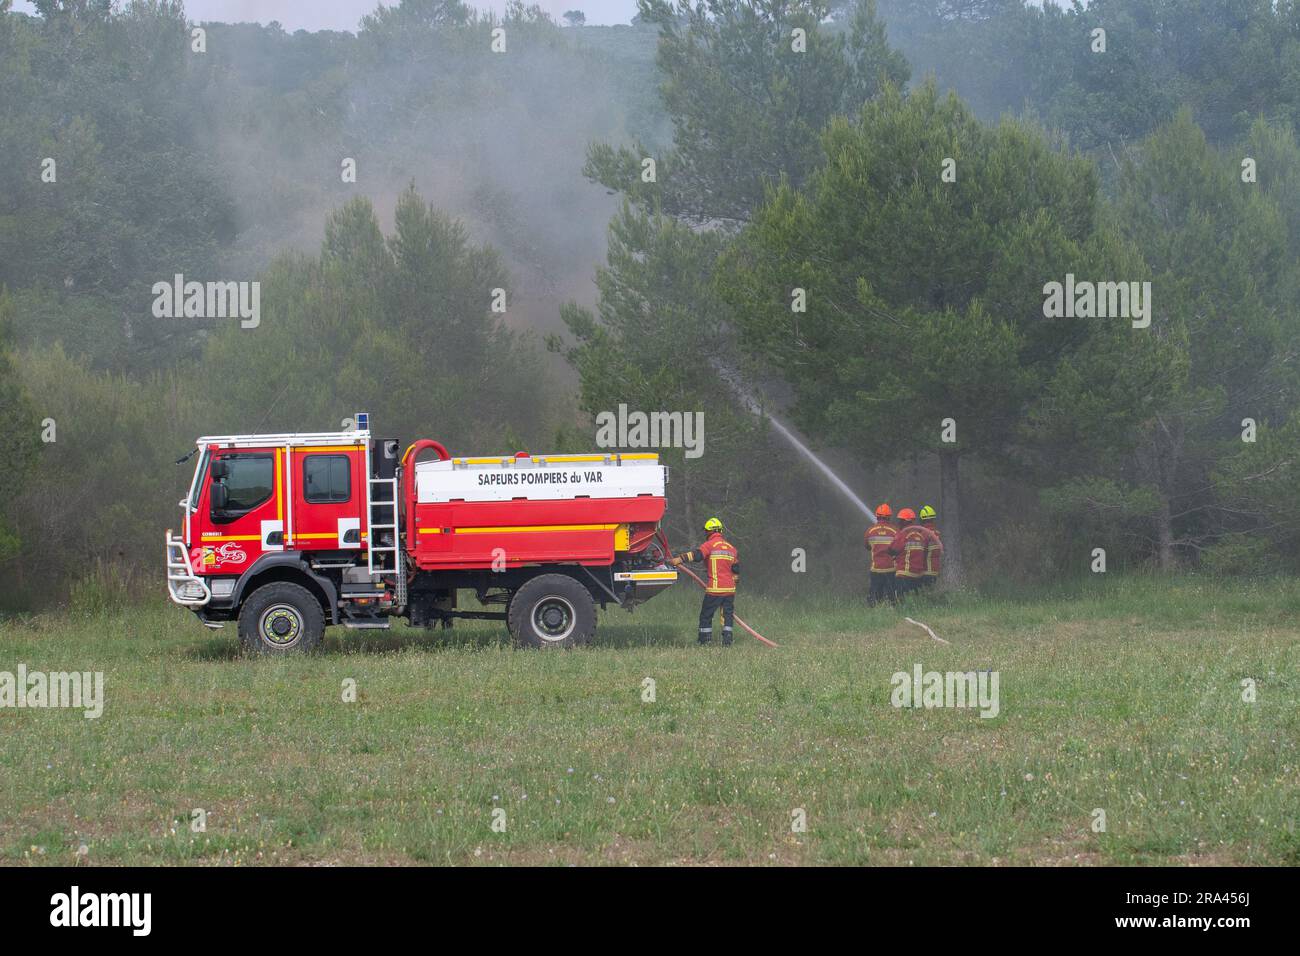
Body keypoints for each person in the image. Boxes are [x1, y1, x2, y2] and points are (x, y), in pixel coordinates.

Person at [671, 517, 739, 645]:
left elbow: (697, 555)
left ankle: (704, 641)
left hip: (715, 589)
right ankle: (727, 641)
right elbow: (736, 570)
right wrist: (732, 583)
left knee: (706, 615)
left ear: (709, 532)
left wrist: (679, 559)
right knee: (727, 616)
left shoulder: (709, 545)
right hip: (730, 590)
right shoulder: (731, 548)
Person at [888, 508, 937, 599]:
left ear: (904, 521)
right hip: (918, 575)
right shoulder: (919, 535)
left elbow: (893, 549)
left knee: (900, 600)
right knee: (915, 599)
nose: (899, 523)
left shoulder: (903, 534)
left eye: (900, 520)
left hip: (904, 574)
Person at [865, 503, 899, 606]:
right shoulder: (895, 531)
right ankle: (892, 608)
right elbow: (899, 548)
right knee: (891, 594)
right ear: (889, 517)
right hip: (891, 569)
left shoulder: (870, 531)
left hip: (876, 569)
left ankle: (874, 608)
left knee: (875, 595)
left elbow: (867, 546)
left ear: (877, 516)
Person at [918, 504, 943, 588]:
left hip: (926, 571)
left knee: (923, 595)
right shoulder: (938, 533)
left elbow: (920, 553)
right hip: (935, 571)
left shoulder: (923, 534)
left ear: (922, 520)